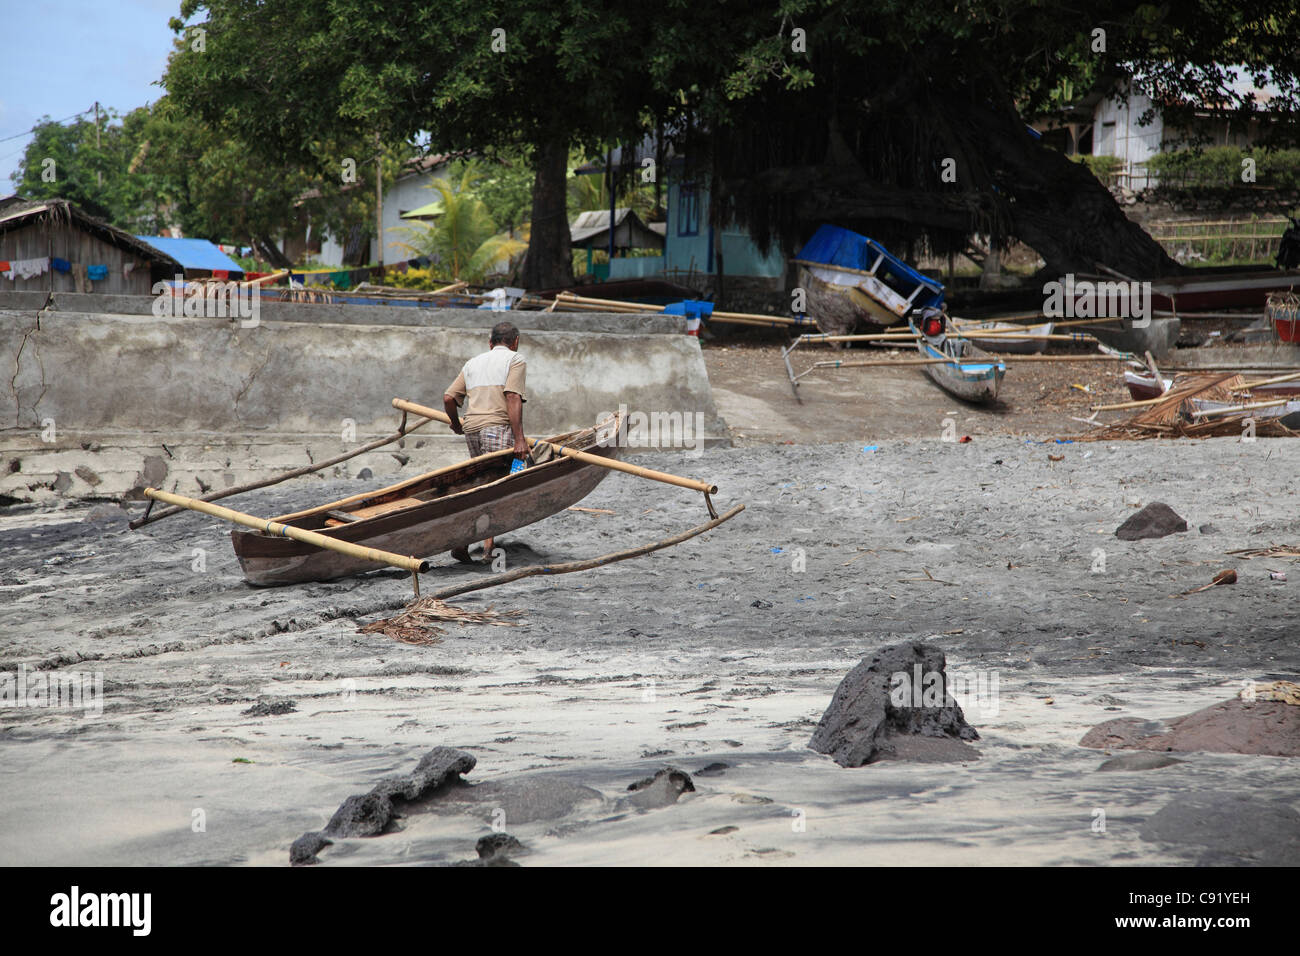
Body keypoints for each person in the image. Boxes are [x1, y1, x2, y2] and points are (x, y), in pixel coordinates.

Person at [443, 321, 529, 562]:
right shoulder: (515, 359)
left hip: (472, 431)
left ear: (490, 343)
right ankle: (486, 549)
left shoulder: (473, 363)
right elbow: (512, 397)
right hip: (498, 429)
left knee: (482, 484)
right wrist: (519, 440)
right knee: (499, 486)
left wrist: (457, 425)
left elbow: (449, 398)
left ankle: (466, 544)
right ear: (516, 341)